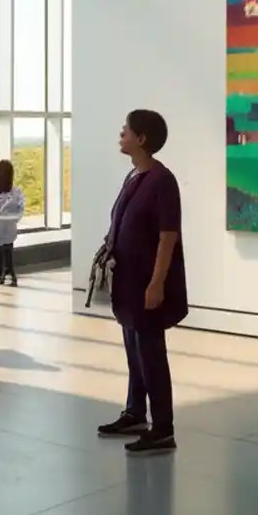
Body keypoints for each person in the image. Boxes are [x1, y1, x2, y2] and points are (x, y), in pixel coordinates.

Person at [96, 109, 187, 455]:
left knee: (151, 355)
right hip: (127, 281)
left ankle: (163, 428)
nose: (121, 134)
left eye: (126, 130)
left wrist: (157, 282)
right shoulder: (134, 176)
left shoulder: (162, 181)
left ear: (142, 138)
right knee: (134, 350)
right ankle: (135, 412)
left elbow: (167, 236)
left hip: (146, 282)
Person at [0, 160, 24, 287]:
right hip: (10, 229)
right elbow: (20, 209)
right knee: (8, 252)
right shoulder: (16, 193)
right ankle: (10, 275)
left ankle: (0, 275)